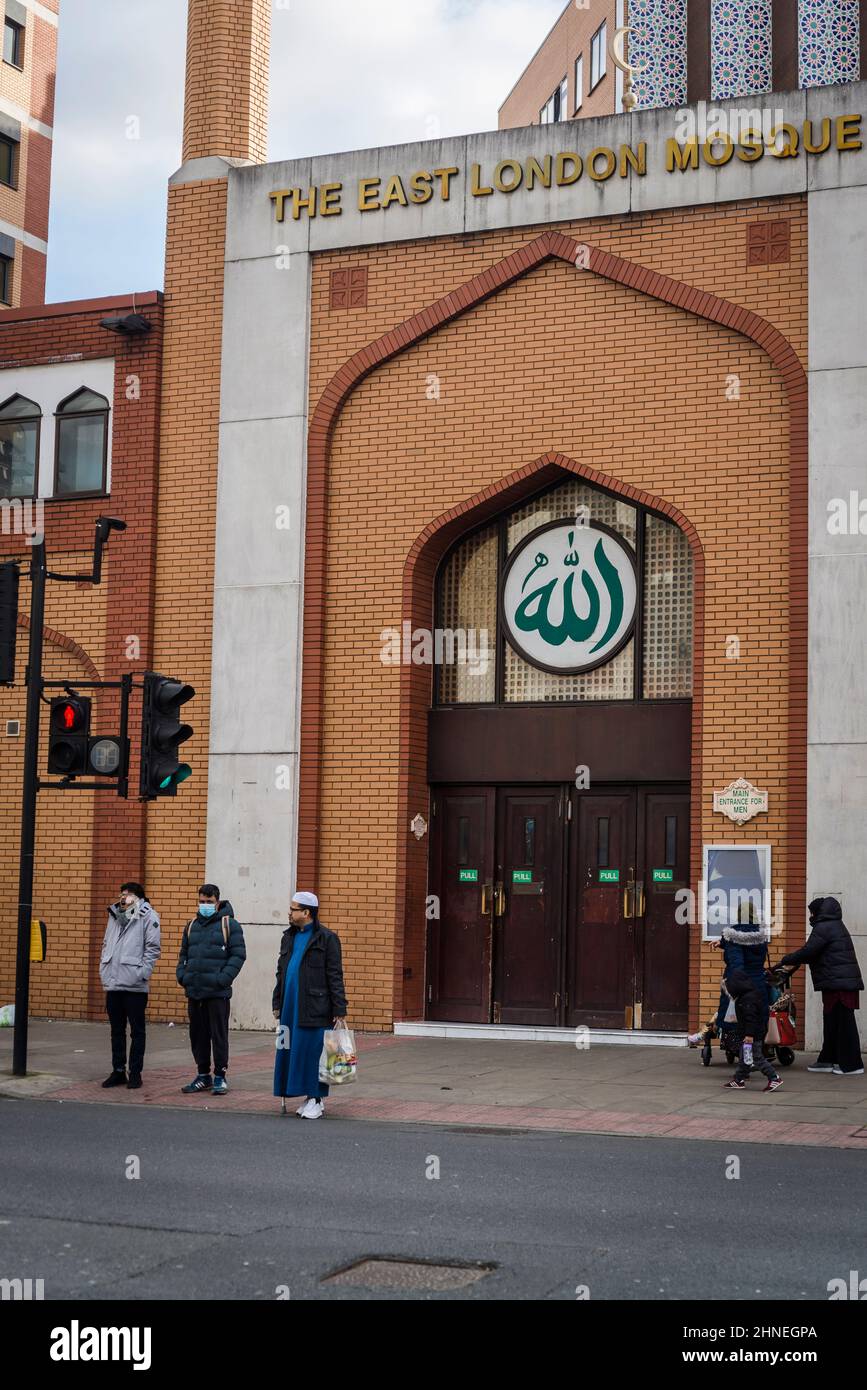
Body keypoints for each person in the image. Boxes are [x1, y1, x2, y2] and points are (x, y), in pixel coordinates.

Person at [272, 891, 348, 1120]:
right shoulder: (288, 937)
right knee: (292, 1052)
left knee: (313, 1054)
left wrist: (339, 1008)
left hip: (315, 1006)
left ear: (306, 913)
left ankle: (316, 1098)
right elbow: (281, 971)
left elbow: (335, 975)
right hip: (290, 1006)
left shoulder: (327, 938)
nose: (289, 912)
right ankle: (307, 1097)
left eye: (294, 909)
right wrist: (277, 1001)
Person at [779, 896, 864, 1076]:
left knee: (843, 1023)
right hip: (838, 982)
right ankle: (828, 1060)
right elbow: (813, 954)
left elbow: (809, 951)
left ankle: (851, 1064)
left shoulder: (824, 927)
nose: (810, 915)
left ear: (817, 912)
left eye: (811, 912)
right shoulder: (832, 925)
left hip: (839, 983)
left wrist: (785, 960)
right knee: (832, 1022)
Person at [176, 885, 246, 1095]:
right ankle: (203, 1075)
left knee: (218, 1036)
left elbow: (238, 956)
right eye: (202, 901)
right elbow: (183, 955)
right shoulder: (191, 926)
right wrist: (184, 977)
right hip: (195, 991)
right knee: (197, 1036)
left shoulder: (229, 925)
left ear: (217, 902)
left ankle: (220, 1076)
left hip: (217, 993)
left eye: (209, 902)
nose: (205, 905)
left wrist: (221, 980)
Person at [99, 882, 161, 1090]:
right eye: (122, 894)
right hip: (114, 983)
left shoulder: (148, 916)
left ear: (138, 898)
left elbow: (152, 949)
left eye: (128, 894)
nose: (123, 897)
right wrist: (104, 969)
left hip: (135, 984)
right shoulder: (114, 915)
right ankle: (118, 1071)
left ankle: (135, 1073)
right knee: (116, 1030)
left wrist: (141, 974)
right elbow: (107, 943)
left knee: (137, 1031)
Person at [722, 968, 782, 1092]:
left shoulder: (748, 999)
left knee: (756, 1058)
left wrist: (749, 1035)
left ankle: (774, 1078)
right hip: (750, 1033)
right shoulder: (747, 996)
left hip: (752, 1034)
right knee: (745, 1057)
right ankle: (738, 1080)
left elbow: (751, 1019)